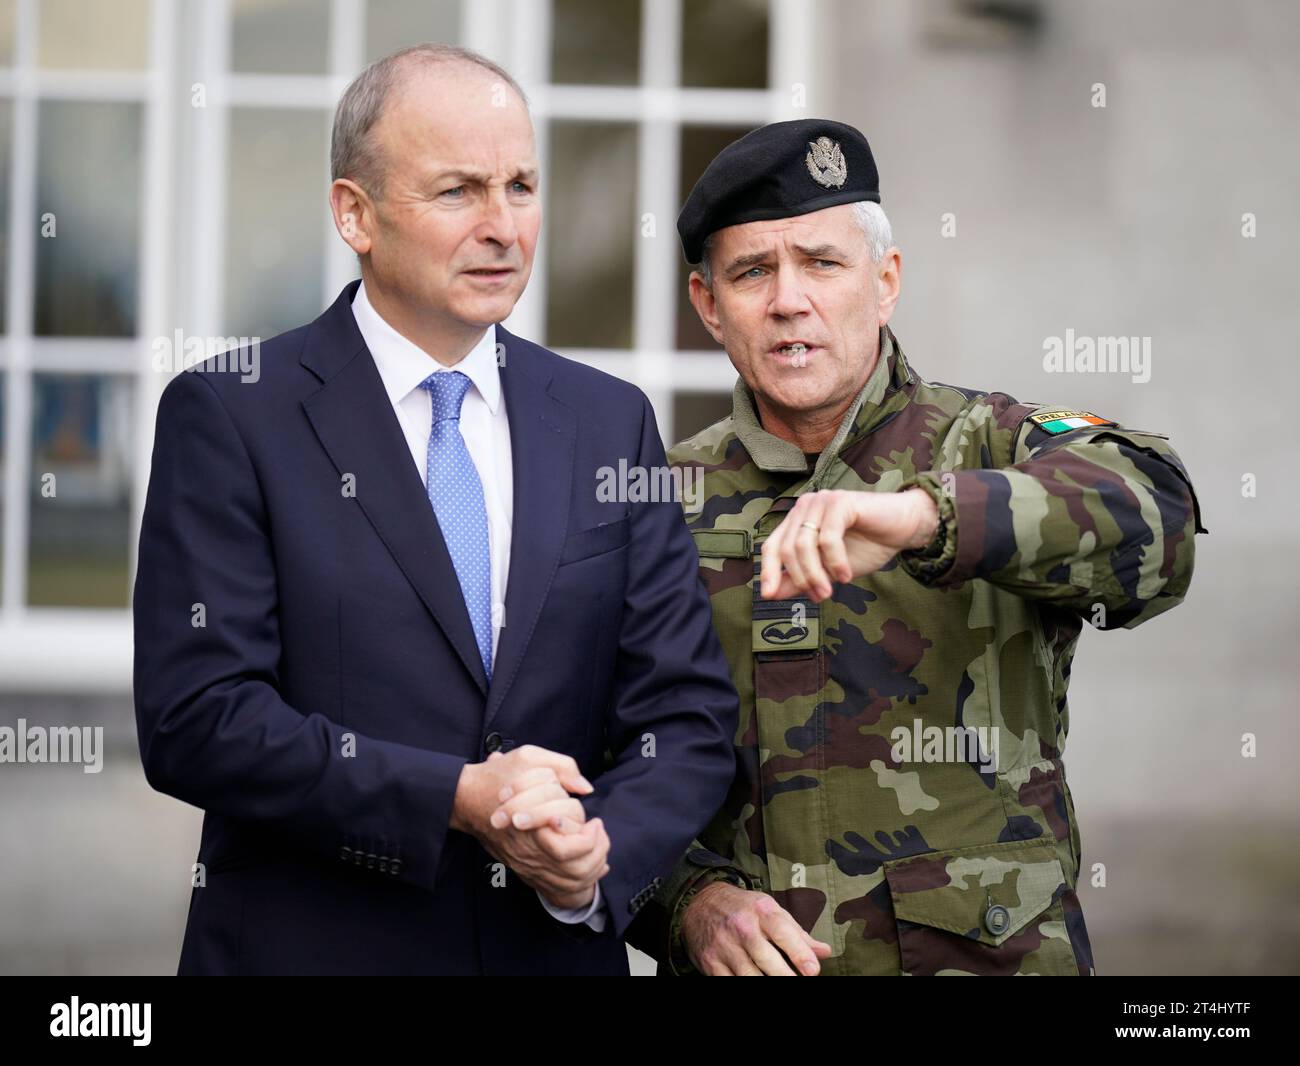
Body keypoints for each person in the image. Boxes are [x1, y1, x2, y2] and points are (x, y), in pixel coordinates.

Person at [132, 44, 738, 975]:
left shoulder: (610, 422)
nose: (503, 227)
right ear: (354, 214)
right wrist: (453, 794)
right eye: (458, 191)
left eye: (522, 186)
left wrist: (593, 863)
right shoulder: (232, 413)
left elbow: (686, 712)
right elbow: (197, 719)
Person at [628, 118, 1205, 976]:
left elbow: (1160, 506)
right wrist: (684, 902)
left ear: (886, 280)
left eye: (823, 263)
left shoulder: (997, 440)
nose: (790, 299)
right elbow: (586, 762)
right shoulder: (656, 500)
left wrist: (928, 518)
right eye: (753, 272)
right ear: (710, 306)